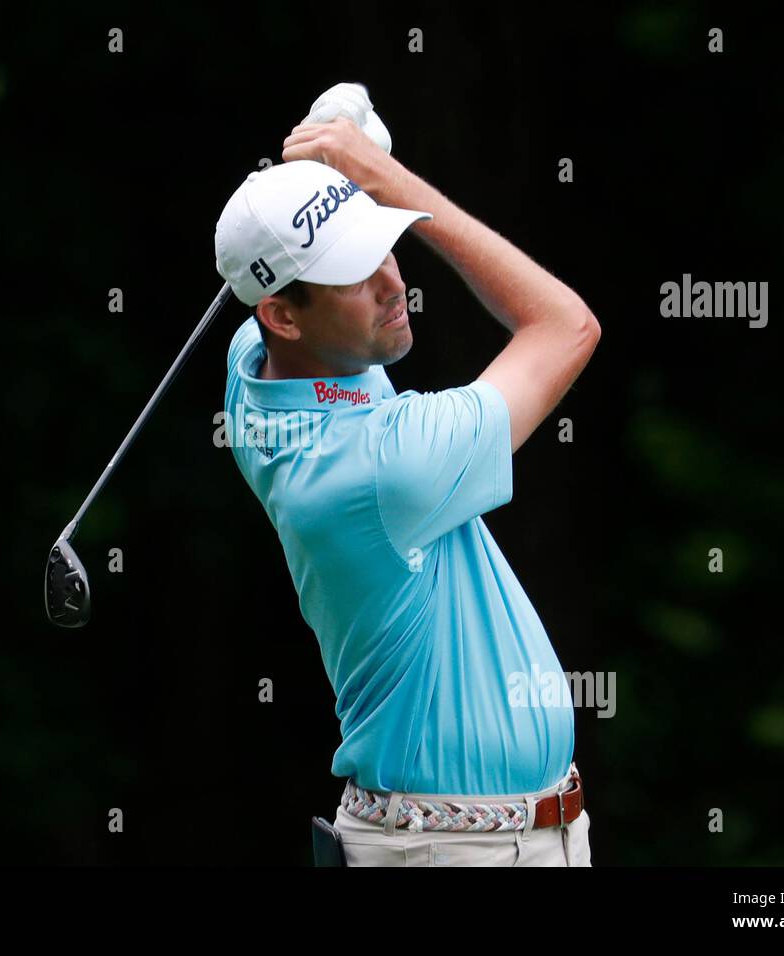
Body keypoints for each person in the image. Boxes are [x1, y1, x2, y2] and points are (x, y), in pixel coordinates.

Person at [214, 117, 601, 866]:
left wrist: (326, 184)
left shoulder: (257, 377)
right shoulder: (385, 465)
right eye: (357, 276)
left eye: (382, 245)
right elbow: (566, 325)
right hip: (453, 853)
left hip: (478, 840)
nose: (396, 282)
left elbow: (273, 283)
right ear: (283, 315)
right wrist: (390, 181)